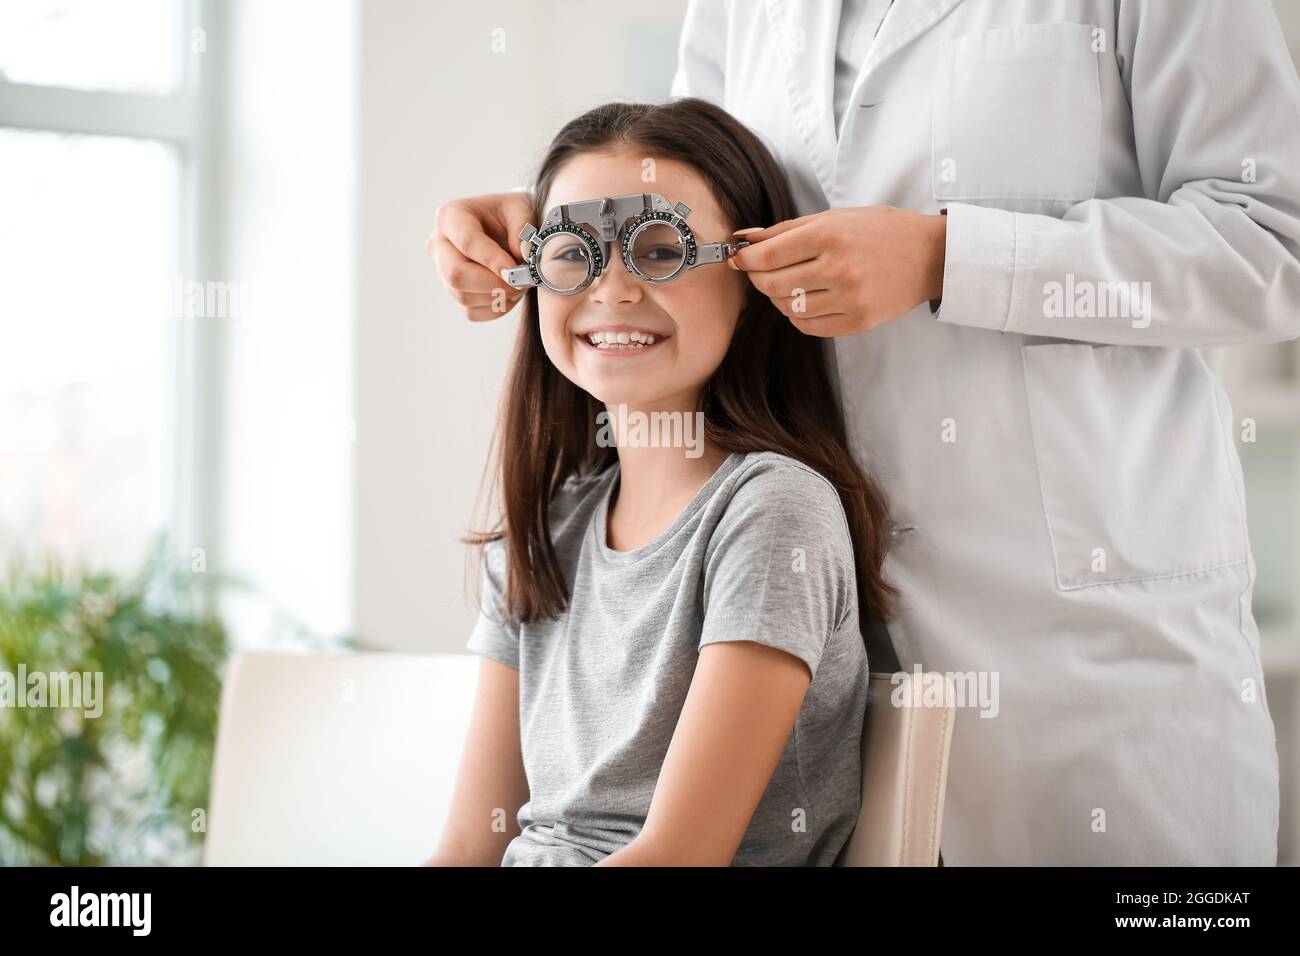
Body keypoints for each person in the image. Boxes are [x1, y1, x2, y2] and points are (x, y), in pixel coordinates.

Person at [429, 0, 1300, 864]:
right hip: (828, 641)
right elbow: (697, 190)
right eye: (579, 254)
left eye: (636, 253)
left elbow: (1276, 240)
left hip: (1080, 651)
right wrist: (560, 221)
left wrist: (946, 256)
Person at [427, 97, 900, 866]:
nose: (611, 290)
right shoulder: (545, 530)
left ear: (750, 280)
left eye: (656, 250)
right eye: (574, 253)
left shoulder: (773, 513)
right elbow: (465, 846)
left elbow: (678, 856)